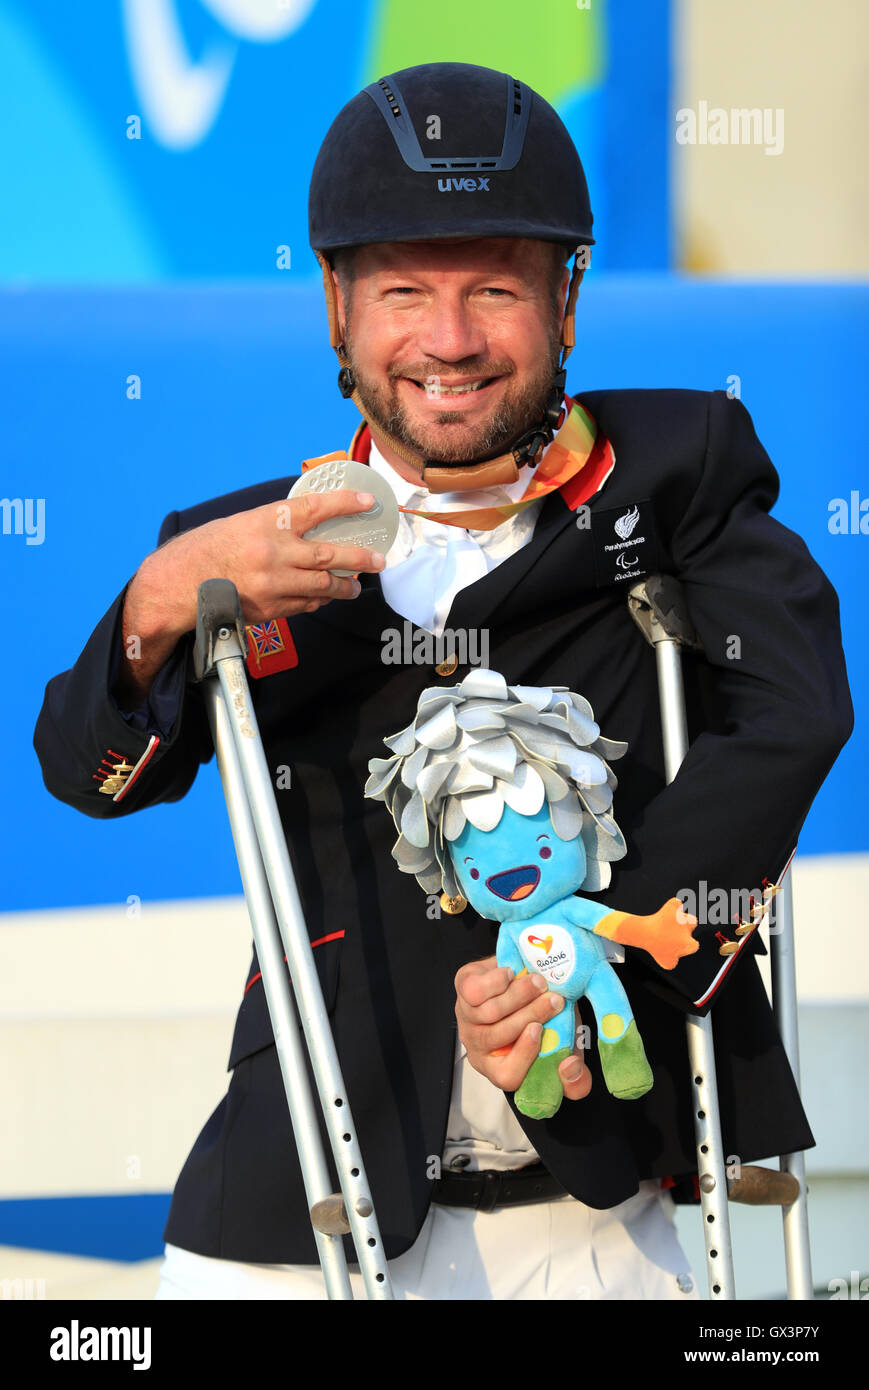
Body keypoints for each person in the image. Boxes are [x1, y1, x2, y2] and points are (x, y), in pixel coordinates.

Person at [34, 62, 852, 1300]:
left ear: (566, 303)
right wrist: (154, 604)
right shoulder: (249, 544)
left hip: (593, 1207)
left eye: (495, 289)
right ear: (336, 310)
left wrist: (588, 950)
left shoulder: (671, 483)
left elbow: (795, 711)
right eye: (404, 291)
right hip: (297, 1199)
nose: (450, 339)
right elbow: (86, 777)